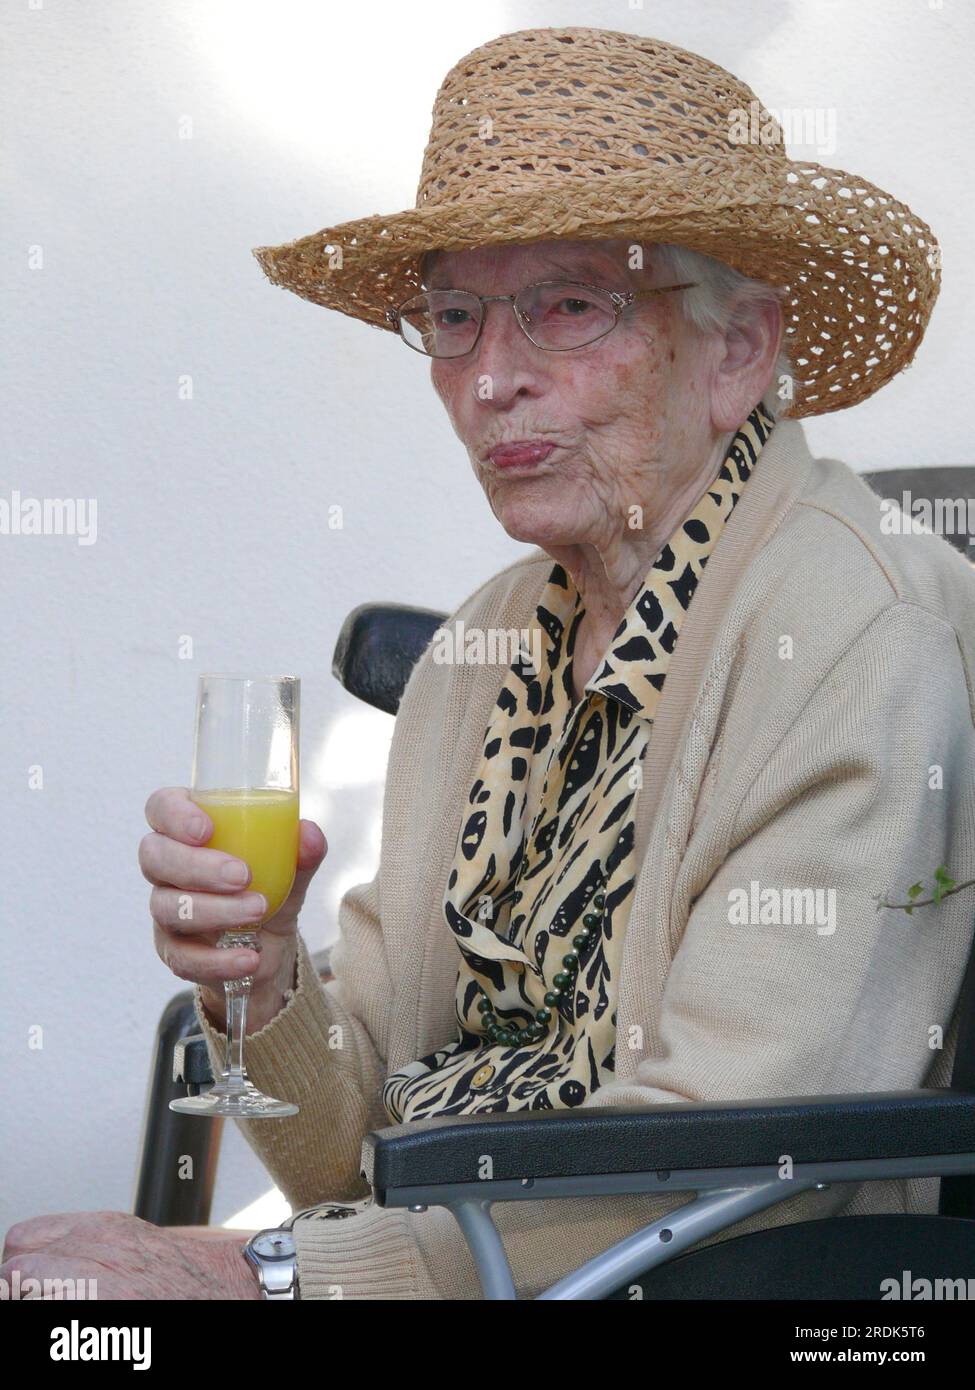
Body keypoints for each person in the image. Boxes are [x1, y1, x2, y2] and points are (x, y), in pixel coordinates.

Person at [6, 24, 974, 1300]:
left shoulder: (860, 631)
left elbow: (728, 1157)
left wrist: (258, 1279)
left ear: (739, 349)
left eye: (570, 305)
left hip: (740, 1288)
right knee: (47, 1299)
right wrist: (266, 982)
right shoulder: (488, 643)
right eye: (455, 316)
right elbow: (349, 1153)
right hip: (463, 1271)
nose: (493, 379)